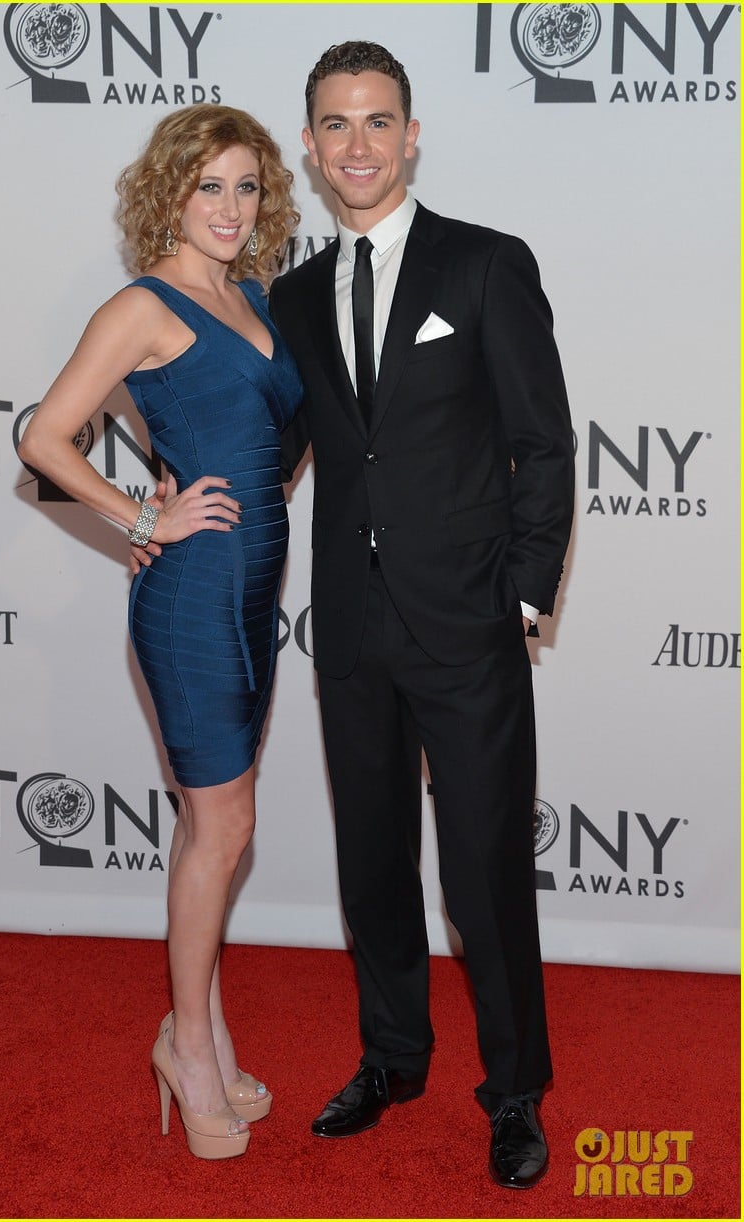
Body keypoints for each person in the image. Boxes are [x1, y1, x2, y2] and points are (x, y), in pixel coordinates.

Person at [270, 42, 575, 1188]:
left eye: (377, 122)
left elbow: (541, 444)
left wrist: (524, 596)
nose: (356, 145)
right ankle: (392, 1057)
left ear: (411, 135)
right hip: (349, 626)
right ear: (308, 144)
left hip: (467, 626)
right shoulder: (296, 293)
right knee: (371, 863)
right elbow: (296, 442)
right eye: (335, 125)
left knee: (485, 867)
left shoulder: (485, 266)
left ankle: (513, 1093)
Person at [19, 104, 302, 1161]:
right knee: (221, 827)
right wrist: (143, 515)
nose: (228, 207)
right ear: (169, 195)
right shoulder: (139, 306)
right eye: (207, 187)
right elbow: (43, 437)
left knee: (212, 827)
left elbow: (275, 437)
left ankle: (205, 1026)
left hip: (253, 592)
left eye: (243, 186)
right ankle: (185, 1047)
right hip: (188, 598)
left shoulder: (252, 297)